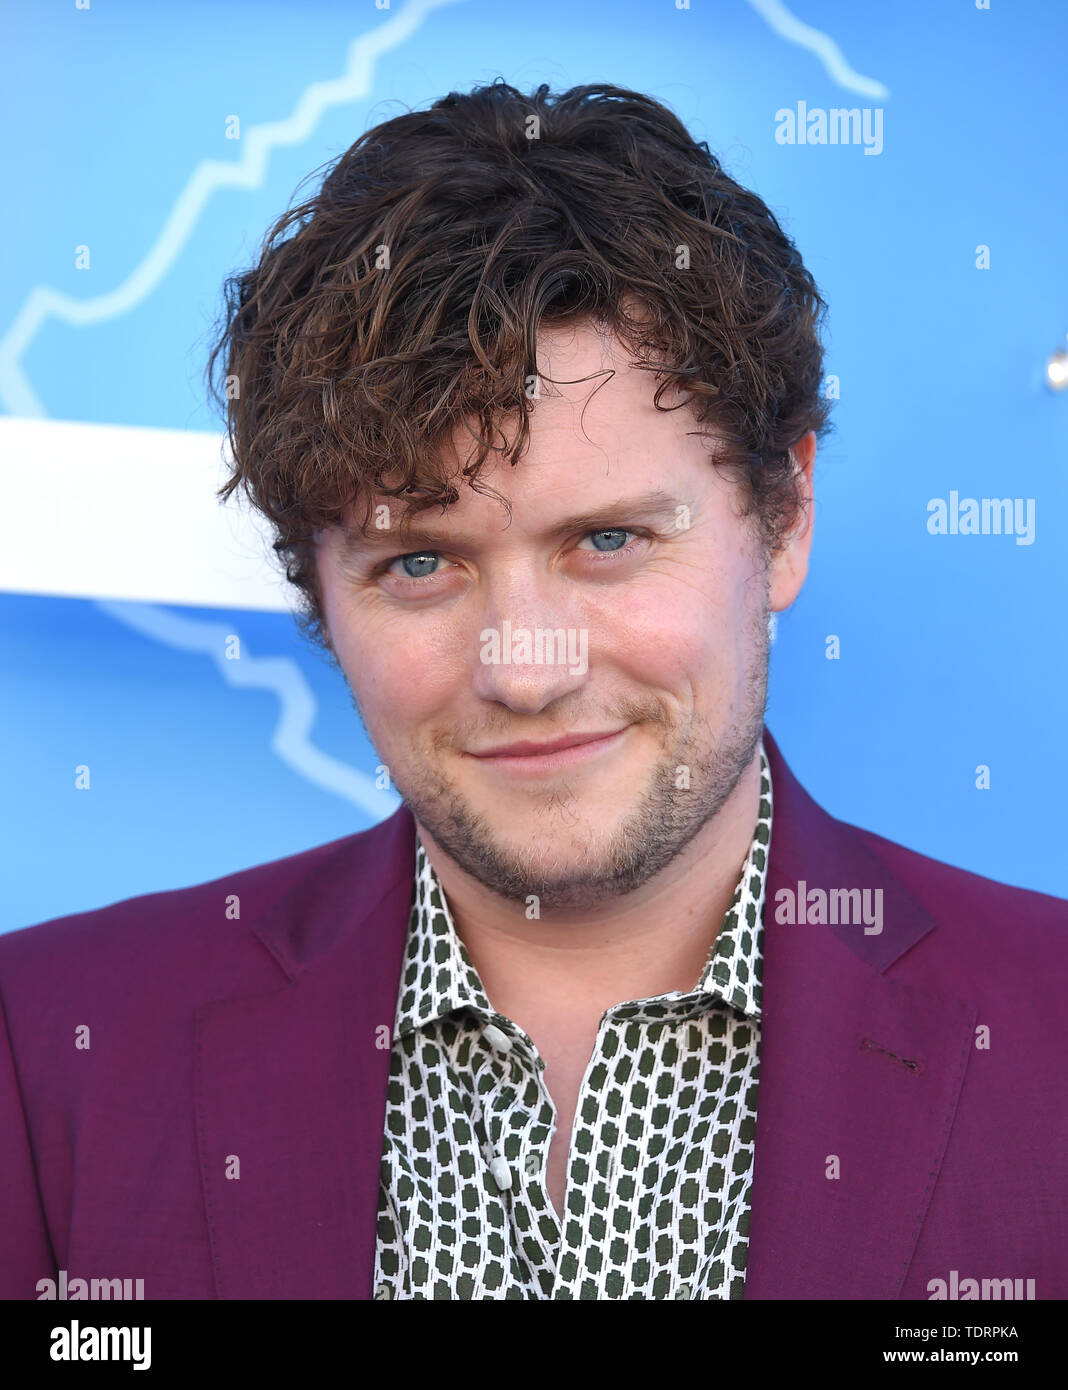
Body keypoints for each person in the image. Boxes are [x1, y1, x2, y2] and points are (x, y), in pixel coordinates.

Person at [2, 81, 1064, 1302]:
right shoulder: (48, 1054)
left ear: (782, 518)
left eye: (606, 542)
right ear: (322, 592)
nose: (525, 667)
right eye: (420, 562)